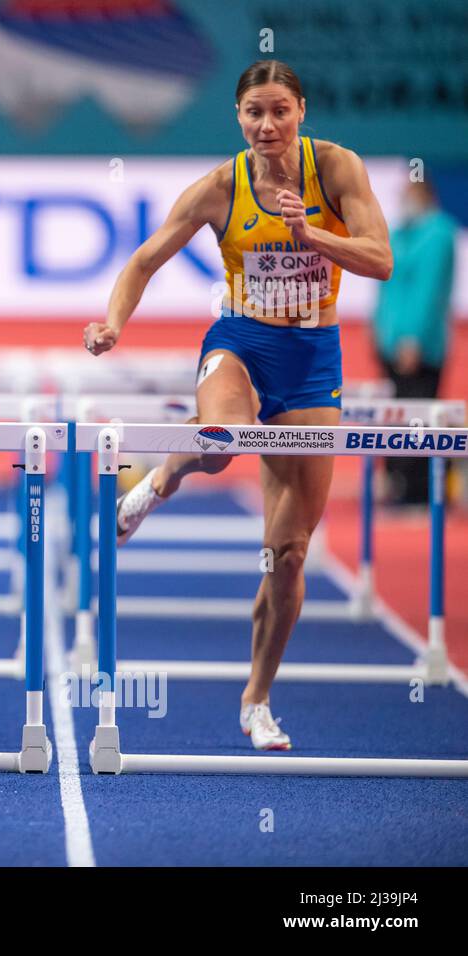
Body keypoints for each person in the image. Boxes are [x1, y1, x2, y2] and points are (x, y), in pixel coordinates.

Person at [83, 60, 392, 751]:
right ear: (239, 117)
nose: (267, 125)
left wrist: (316, 236)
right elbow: (141, 262)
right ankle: (159, 481)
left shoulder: (337, 170)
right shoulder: (221, 188)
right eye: (254, 112)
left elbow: (379, 258)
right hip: (241, 340)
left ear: (301, 111)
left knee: (287, 555)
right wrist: (113, 323)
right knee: (222, 440)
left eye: (279, 110)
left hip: (313, 363)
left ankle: (256, 698)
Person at [372, 178, 457, 505]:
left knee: (419, 417)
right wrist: (379, 329)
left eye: (410, 194)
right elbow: (385, 284)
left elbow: (428, 292)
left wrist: (414, 339)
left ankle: (419, 492)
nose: (405, 199)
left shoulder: (438, 234)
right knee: (396, 415)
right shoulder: (399, 233)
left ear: (425, 195)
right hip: (391, 342)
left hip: (419, 346)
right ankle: (397, 482)